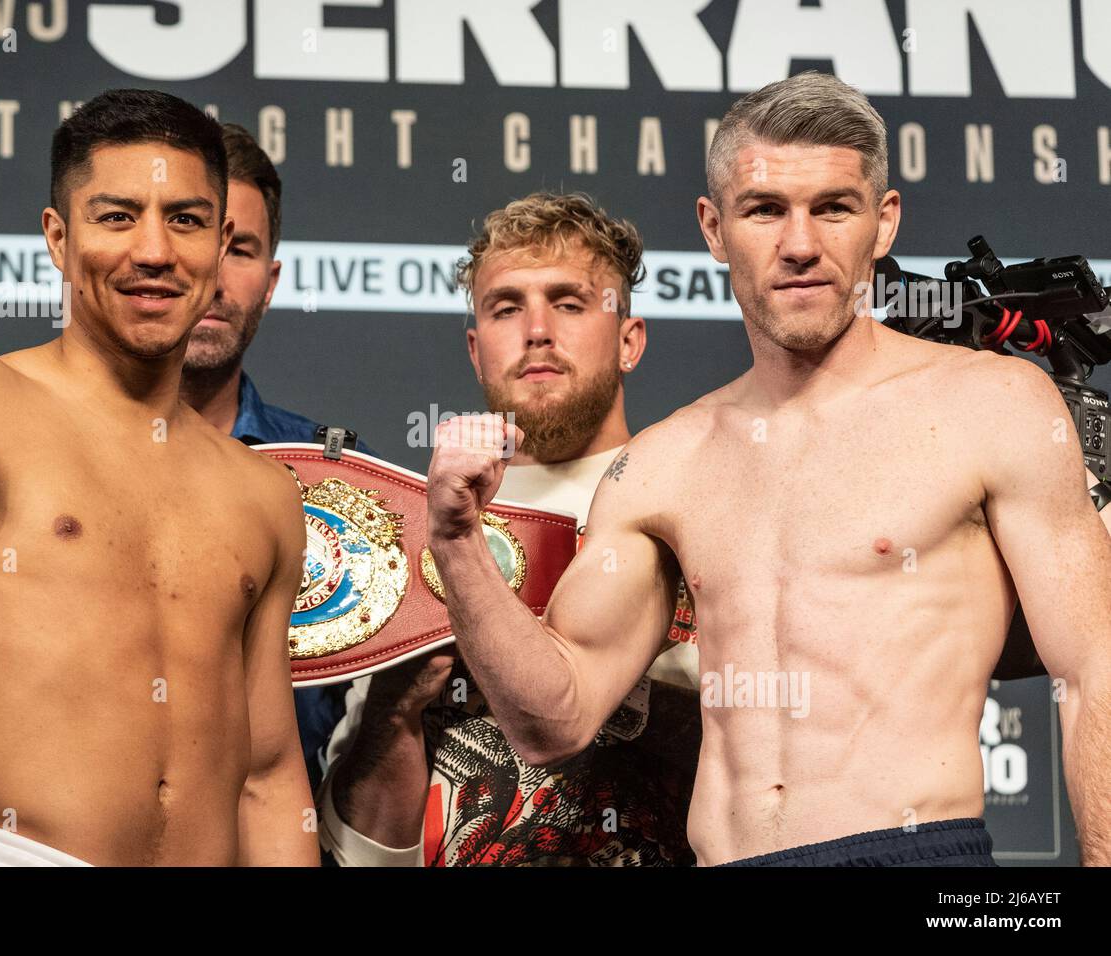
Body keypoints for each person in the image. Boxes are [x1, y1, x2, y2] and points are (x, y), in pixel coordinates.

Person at [423, 72, 1111, 866]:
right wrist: (457, 540)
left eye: (833, 207)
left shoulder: (993, 405)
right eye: (764, 210)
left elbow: (1095, 670)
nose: (800, 244)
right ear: (714, 229)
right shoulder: (665, 463)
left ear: (883, 222)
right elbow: (554, 719)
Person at [0, 89, 315, 865]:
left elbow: (268, 777)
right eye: (116, 216)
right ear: (57, 237)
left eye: (184, 219)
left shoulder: (264, 493)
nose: (154, 250)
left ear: (220, 244)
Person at [319, 193, 702, 866]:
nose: (536, 330)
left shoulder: (703, 514)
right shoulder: (409, 534)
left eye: (570, 302)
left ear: (630, 340)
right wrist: (394, 707)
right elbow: (368, 851)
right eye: (506, 307)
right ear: (476, 349)